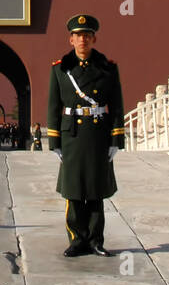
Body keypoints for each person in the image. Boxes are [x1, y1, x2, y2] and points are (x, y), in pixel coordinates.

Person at [47, 14, 125, 257]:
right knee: (74, 189)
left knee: (95, 188)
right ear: (71, 40)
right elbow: (53, 106)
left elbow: (117, 105)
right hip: (73, 135)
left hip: (97, 134)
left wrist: (116, 140)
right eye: (78, 36)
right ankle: (76, 239)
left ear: (94, 39)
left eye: (87, 36)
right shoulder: (60, 69)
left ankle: (95, 240)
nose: (83, 40)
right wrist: (54, 141)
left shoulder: (108, 68)